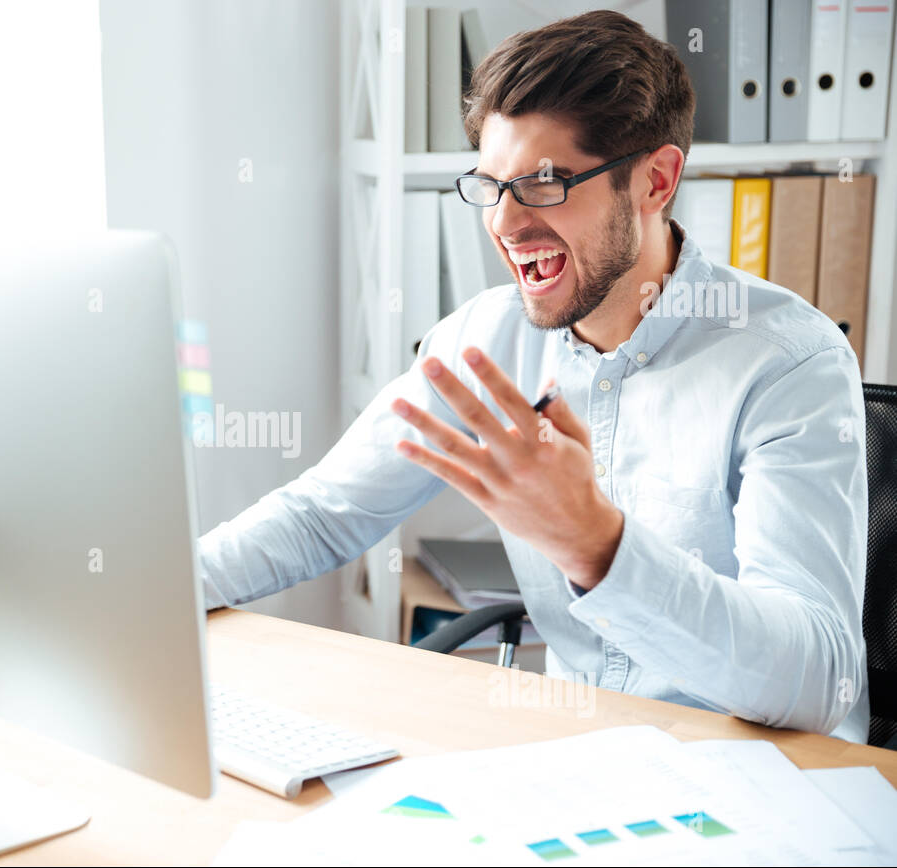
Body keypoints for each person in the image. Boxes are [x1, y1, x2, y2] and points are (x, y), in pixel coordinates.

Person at [197, 10, 869, 743]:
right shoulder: (484, 342)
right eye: (491, 186)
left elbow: (815, 681)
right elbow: (321, 516)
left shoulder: (787, 361)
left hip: (762, 779)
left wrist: (597, 545)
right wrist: (147, 593)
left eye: (546, 184)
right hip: (578, 759)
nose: (506, 226)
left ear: (656, 180)